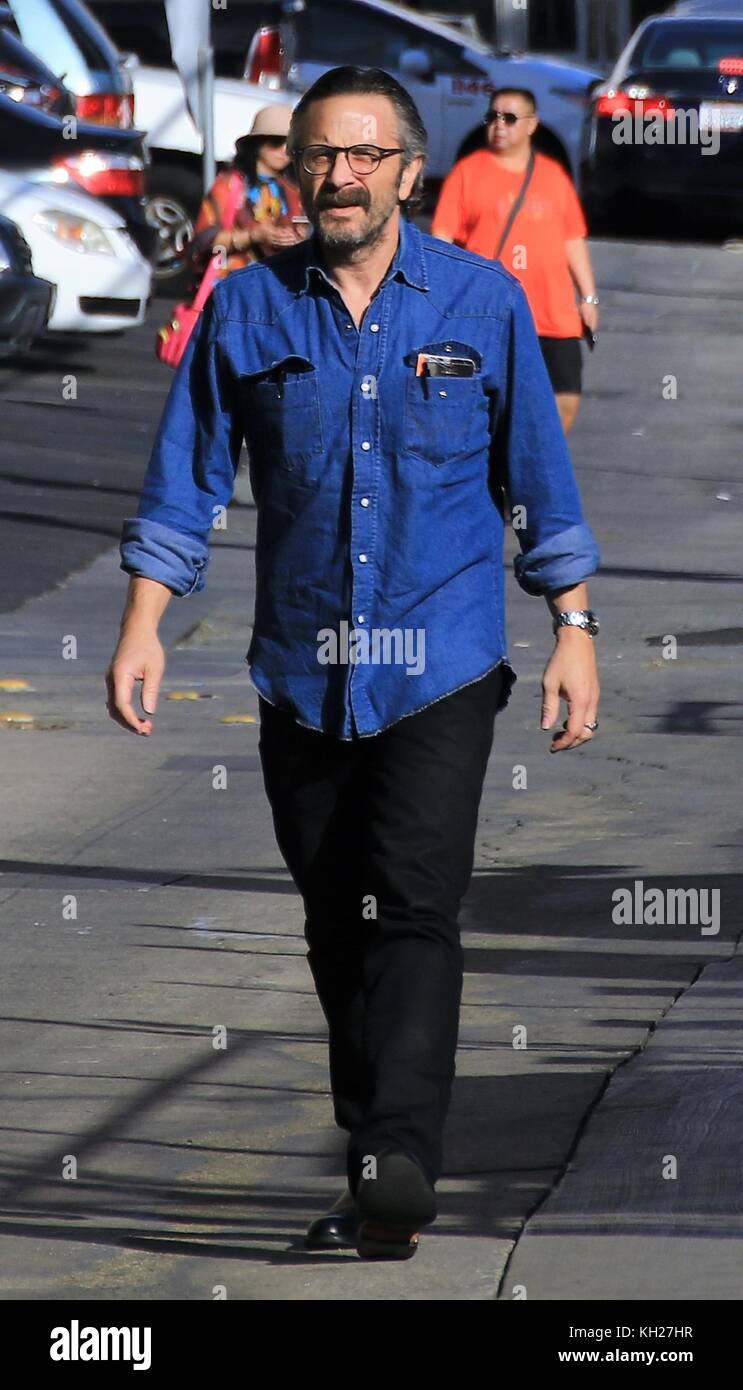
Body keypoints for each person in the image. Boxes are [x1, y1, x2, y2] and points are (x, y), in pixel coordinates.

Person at [107, 66, 601, 1262]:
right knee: (337, 919)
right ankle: (374, 1160)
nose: (338, 176)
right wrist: (139, 623)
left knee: (414, 906)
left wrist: (572, 628)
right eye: (319, 156)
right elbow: (185, 484)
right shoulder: (246, 311)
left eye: (363, 156)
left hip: (440, 666)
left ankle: (399, 1148)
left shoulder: (479, 306)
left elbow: (535, 479)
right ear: (294, 169)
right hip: (302, 669)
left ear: (407, 173)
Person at [432, 87, 600, 435]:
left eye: (509, 118)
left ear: (531, 125)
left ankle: (535, 465)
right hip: (491, 312)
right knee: (492, 405)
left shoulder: (553, 175)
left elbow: (572, 238)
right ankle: (502, 476)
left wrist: (588, 297)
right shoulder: (467, 172)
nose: (499, 125)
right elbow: (442, 241)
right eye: (492, 117)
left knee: (566, 398)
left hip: (552, 314)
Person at [188, 103, 307, 284]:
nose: (284, 151)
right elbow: (204, 242)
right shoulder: (229, 185)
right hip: (230, 287)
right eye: (275, 142)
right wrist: (254, 236)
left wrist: (296, 240)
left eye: (290, 144)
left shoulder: (292, 191)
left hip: (276, 287)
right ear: (256, 145)